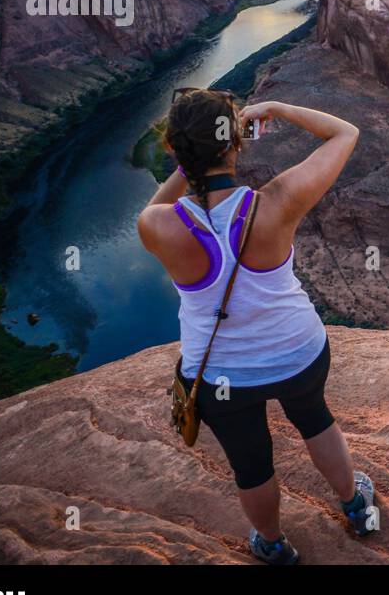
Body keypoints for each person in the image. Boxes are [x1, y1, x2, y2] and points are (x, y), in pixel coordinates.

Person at [137, 88, 375, 564]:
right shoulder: (277, 201)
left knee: (251, 464)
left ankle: (272, 545)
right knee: (315, 421)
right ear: (236, 144)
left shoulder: (157, 225)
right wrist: (279, 109)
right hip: (298, 353)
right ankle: (354, 503)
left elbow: (154, 206)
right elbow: (344, 132)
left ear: (177, 151)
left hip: (222, 374)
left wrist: (190, 161)